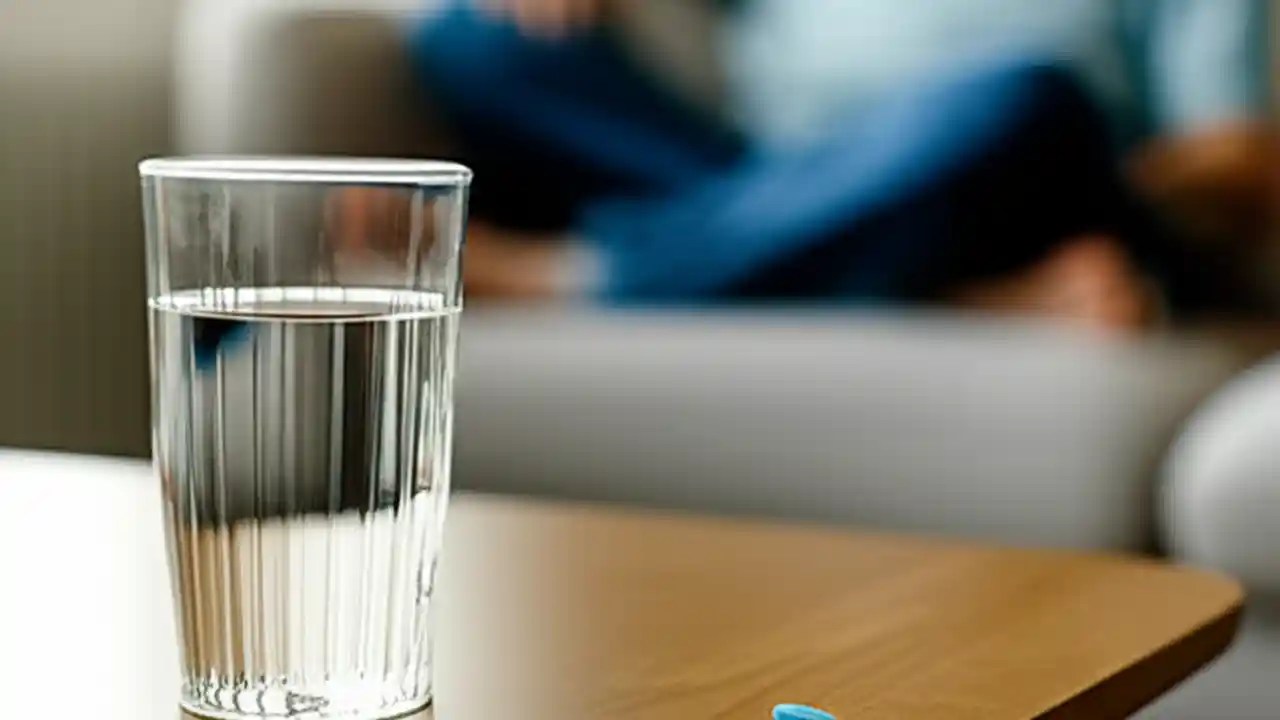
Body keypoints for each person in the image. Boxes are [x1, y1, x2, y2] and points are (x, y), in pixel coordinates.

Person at [405, 0, 1273, 329]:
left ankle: (579, 272)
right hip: (761, 168)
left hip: (1012, 183)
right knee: (478, 41)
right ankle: (918, 290)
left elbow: (1228, 155)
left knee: (1027, 97)